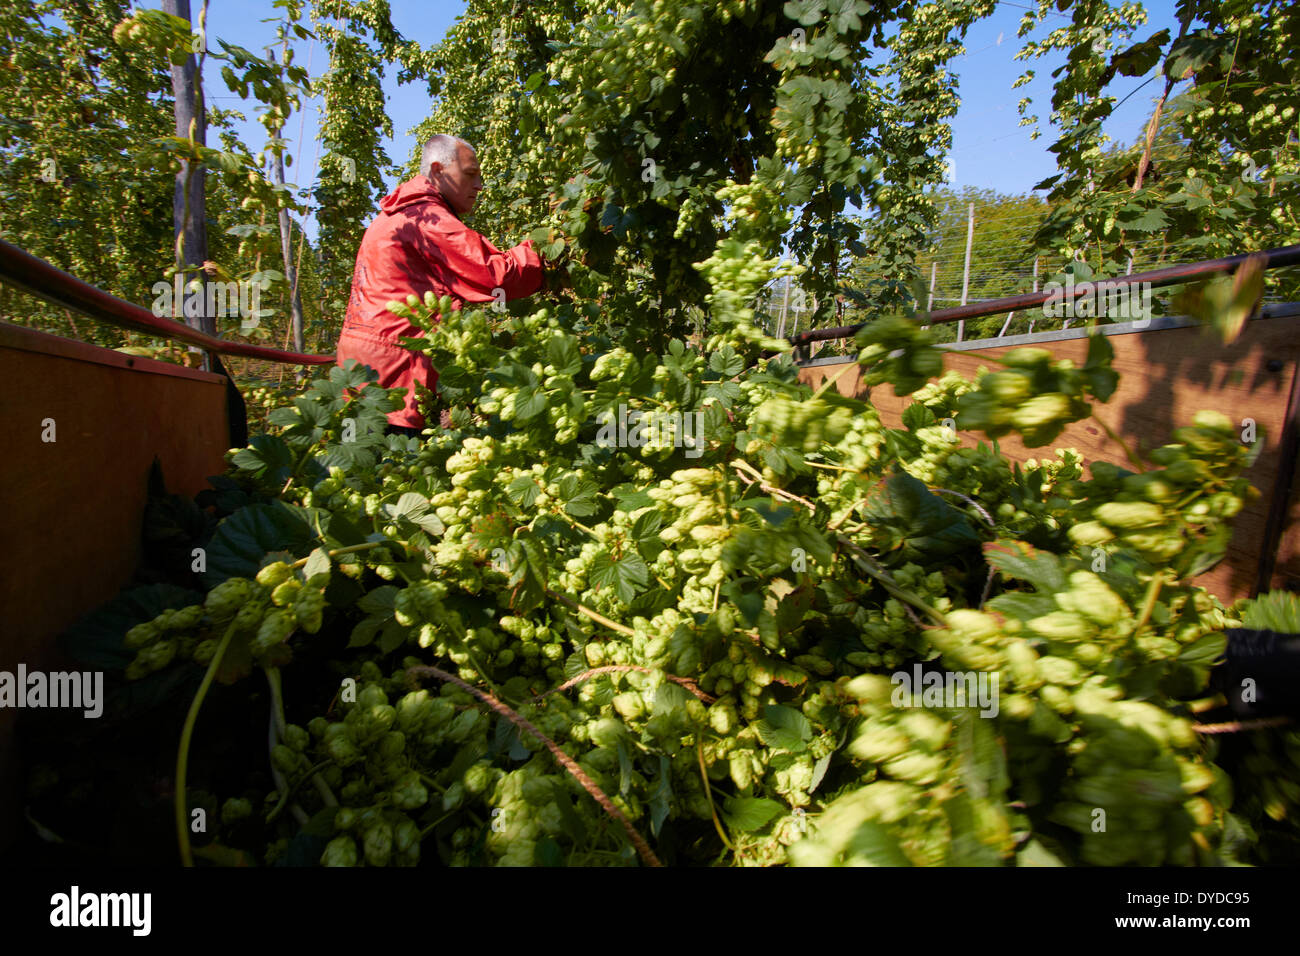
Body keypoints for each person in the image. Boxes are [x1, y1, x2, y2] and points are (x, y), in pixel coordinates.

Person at [336, 134, 562, 436]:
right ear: (438, 170)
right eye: (470, 174)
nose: (479, 185)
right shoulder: (426, 219)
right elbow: (492, 276)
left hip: (361, 363)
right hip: (394, 370)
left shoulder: (397, 213)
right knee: (394, 466)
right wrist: (545, 250)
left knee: (360, 466)